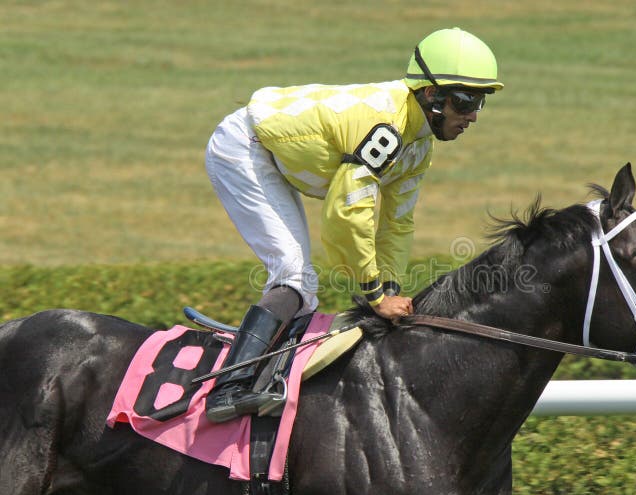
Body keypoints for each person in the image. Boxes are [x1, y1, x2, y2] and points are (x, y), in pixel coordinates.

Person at [203, 27, 503, 422]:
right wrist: (376, 295)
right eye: (466, 100)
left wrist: (390, 286)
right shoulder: (388, 128)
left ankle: (269, 375)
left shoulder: (418, 146)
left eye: (479, 102)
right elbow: (348, 211)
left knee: (303, 291)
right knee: (294, 277)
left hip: (272, 156)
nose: (473, 116)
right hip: (244, 148)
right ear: (431, 94)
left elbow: (396, 223)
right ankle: (228, 389)